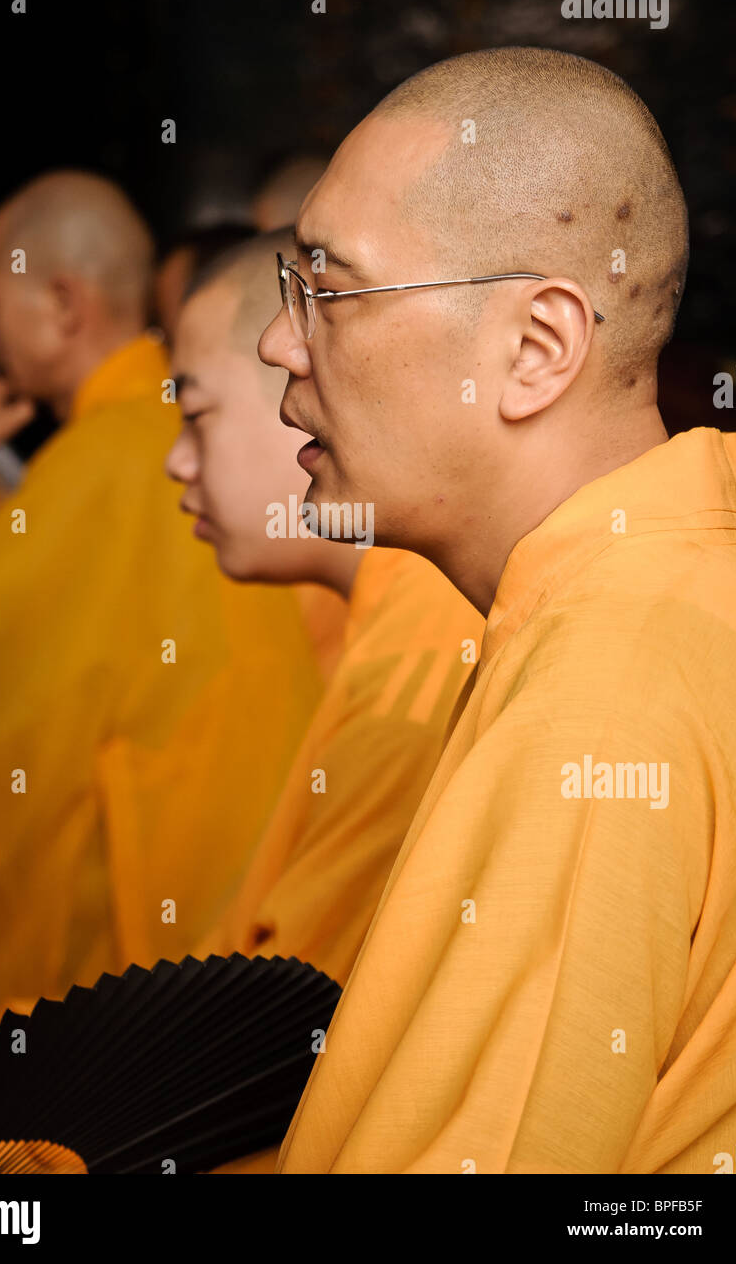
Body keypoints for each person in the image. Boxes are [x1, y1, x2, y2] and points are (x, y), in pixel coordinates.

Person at [259, 47, 736, 1174]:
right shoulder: (641, 605)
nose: (278, 342)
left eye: (326, 290)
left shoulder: (604, 695)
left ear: (533, 350)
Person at [0, 172, 326, 1073]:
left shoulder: (104, 458)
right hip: (236, 914)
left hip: (125, 957)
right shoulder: (160, 440)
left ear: (61, 301)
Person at [166, 230, 483, 1169]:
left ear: (295, 406)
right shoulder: (388, 617)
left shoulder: (424, 655)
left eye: (195, 416)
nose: (178, 466)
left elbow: (288, 1013)